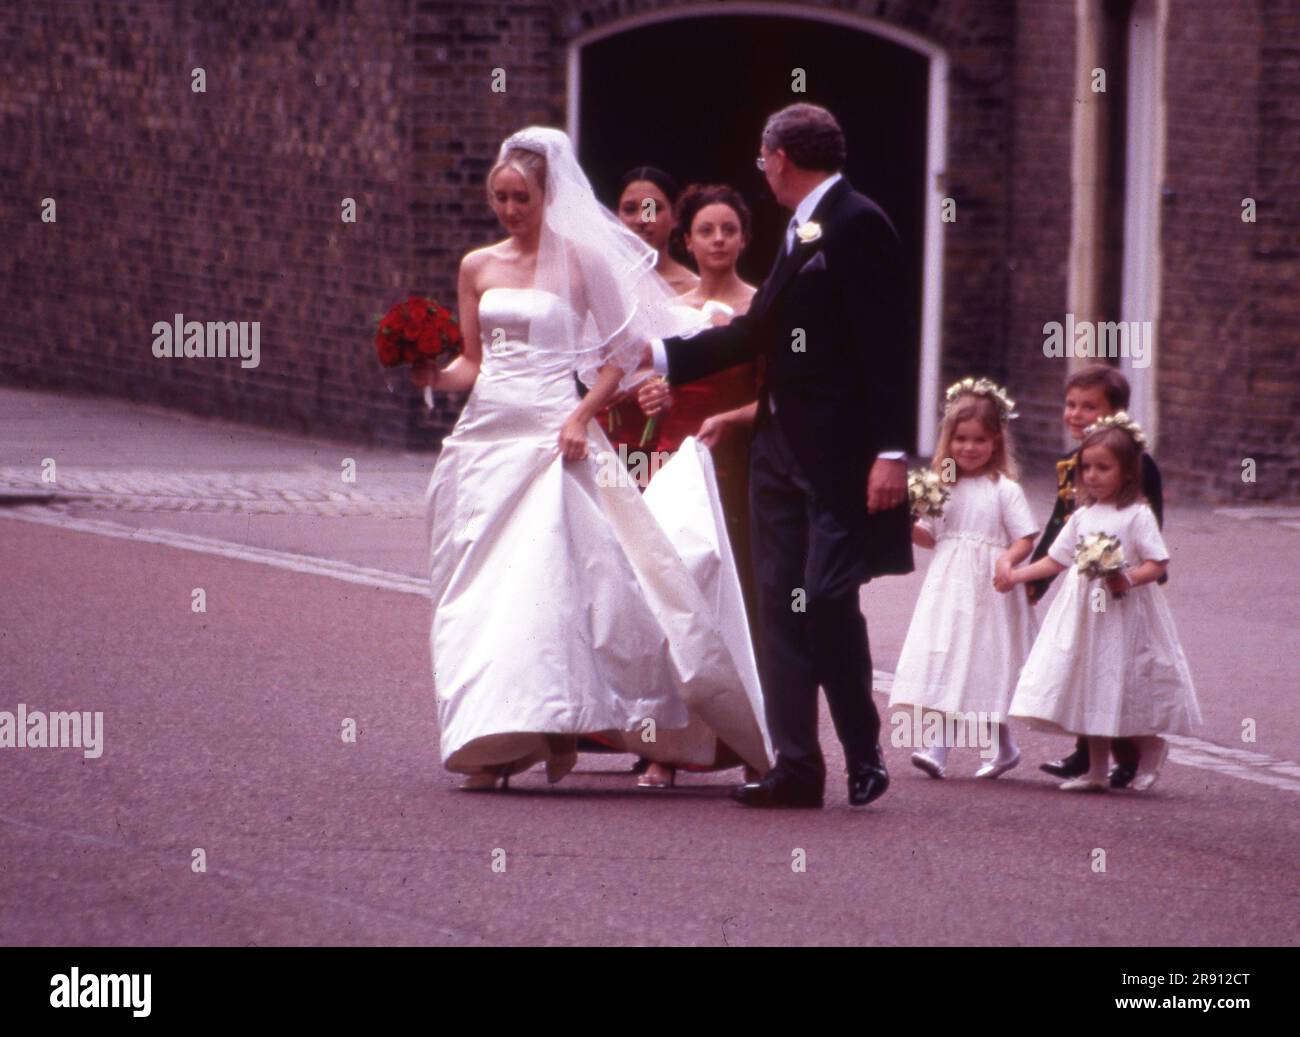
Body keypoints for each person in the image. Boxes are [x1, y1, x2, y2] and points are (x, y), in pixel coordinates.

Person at [414, 127, 773, 789]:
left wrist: (581, 415)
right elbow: (474, 361)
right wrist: (430, 375)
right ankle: (490, 736)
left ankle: (546, 726)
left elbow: (623, 350)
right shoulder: (476, 265)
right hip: (489, 433)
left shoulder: (583, 261)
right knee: (482, 590)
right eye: (500, 197)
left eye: (521, 197)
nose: (510, 210)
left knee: (551, 586)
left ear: (548, 195)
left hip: (557, 435)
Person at [643, 103, 915, 809]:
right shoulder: (804, 227)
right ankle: (795, 768)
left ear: (781, 158)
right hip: (775, 451)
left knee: (825, 599)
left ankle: (861, 745)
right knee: (779, 609)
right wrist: (657, 353)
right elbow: (758, 331)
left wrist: (891, 451)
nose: (760, 169)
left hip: (838, 459)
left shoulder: (861, 223)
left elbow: (888, 347)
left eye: (762, 158)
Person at [631, 183, 762, 790]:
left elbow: (778, 396)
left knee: (723, 604)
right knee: (663, 598)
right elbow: (638, 381)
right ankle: (661, 746)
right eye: (706, 231)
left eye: (728, 230)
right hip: (666, 460)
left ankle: (733, 738)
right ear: (686, 239)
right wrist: (649, 393)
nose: (717, 241)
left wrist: (732, 420)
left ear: (744, 238)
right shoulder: (662, 304)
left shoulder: (762, 307)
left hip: (731, 469)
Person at [1000, 415, 1199, 792]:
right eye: (1086, 467)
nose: (1092, 475)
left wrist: (1126, 577)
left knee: (1120, 681)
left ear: (1126, 473)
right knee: (1089, 680)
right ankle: (1094, 770)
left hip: (1123, 611)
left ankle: (1151, 746)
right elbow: (1056, 560)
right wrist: (1017, 575)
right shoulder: (1081, 516)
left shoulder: (1137, 515)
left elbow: (1158, 563)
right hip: (1083, 612)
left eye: (1103, 468)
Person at [888, 379, 1038, 779]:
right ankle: (1000, 748)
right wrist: (905, 523)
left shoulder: (1003, 489)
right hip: (949, 584)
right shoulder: (942, 486)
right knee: (953, 657)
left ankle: (939, 748)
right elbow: (931, 537)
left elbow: (1026, 536)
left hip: (989, 586)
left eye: (979, 440)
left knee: (978, 663)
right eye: (961, 440)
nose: (969, 448)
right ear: (948, 440)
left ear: (996, 443)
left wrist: (1008, 561)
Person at [1028, 364, 1165, 788]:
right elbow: (1059, 526)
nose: (1076, 413)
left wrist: (1135, 577)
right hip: (1085, 587)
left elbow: (1150, 528)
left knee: (1117, 669)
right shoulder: (1074, 464)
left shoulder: (1139, 465)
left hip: (1124, 586)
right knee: (1084, 660)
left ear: (1115, 415)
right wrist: (1035, 581)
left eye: (1089, 407)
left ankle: (1131, 754)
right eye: (1071, 405)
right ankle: (1089, 756)